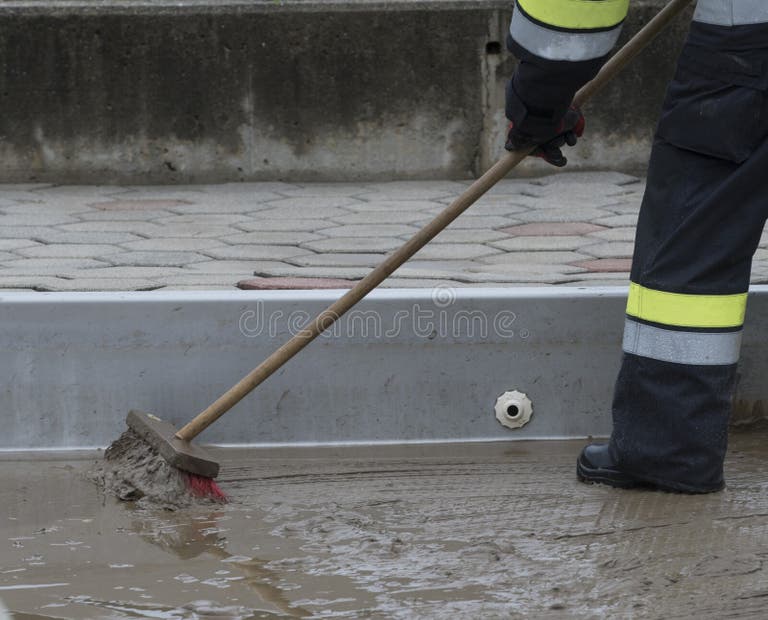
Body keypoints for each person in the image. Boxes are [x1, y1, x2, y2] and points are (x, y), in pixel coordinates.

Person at [505, 0, 768, 493]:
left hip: (749, 51)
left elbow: (570, 13)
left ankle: (668, 450)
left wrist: (539, 99)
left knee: (695, 239)